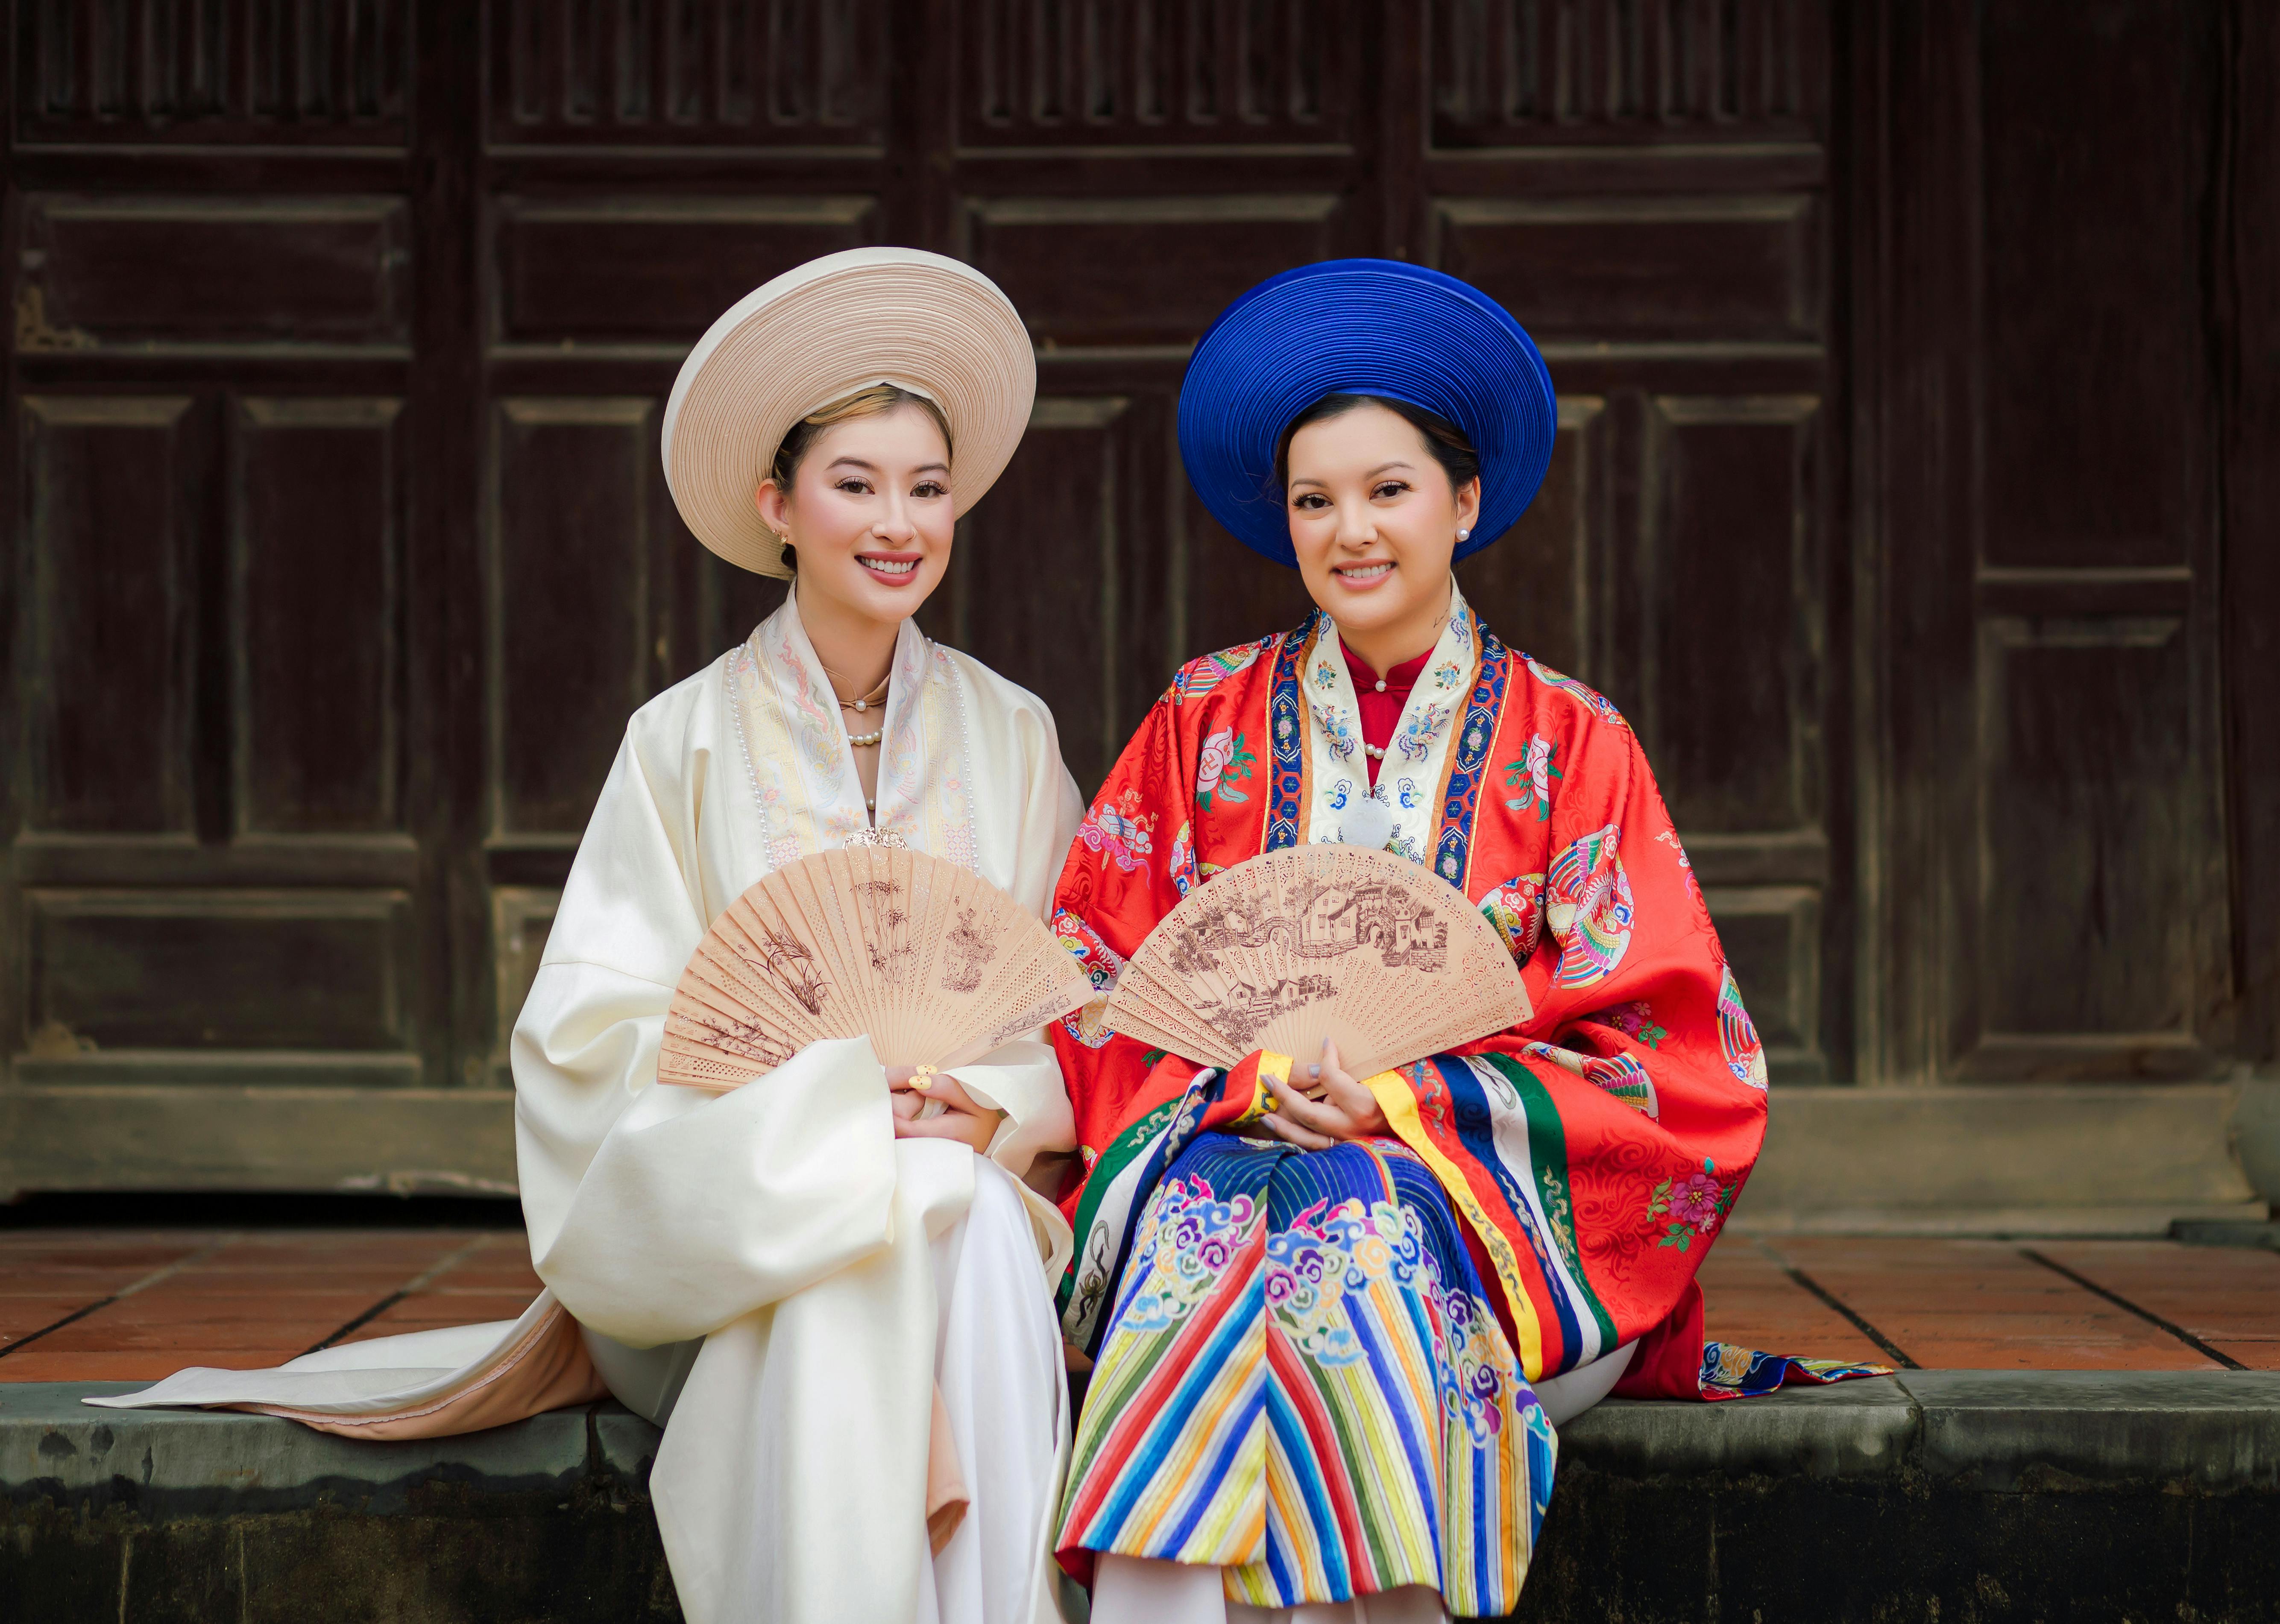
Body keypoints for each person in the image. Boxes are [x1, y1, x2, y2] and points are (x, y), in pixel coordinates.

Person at [89, 248, 1087, 1624]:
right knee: (918, 1207)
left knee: (957, 1203)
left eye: (927, 488)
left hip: (969, 1185)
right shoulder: (679, 738)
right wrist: (832, 1114)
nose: (897, 521)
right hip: (735, 1222)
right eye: (855, 484)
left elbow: (1064, 1004)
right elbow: (590, 1038)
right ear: (777, 505)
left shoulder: (1012, 733)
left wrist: (977, 1105)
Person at [1045, 260, 1886, 1624]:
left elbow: (1673, 1063)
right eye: (1314, 501)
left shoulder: (1573, 743)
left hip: (1495, 1234)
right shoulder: (1196, 722)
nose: (1350, 532)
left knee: (1342, 1224)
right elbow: (1095, 980)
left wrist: (1398, 1100)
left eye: (1388, 490)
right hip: (1223, 1177)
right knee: (1228, 1217)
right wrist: (1241, 1087)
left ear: (1464, 500)